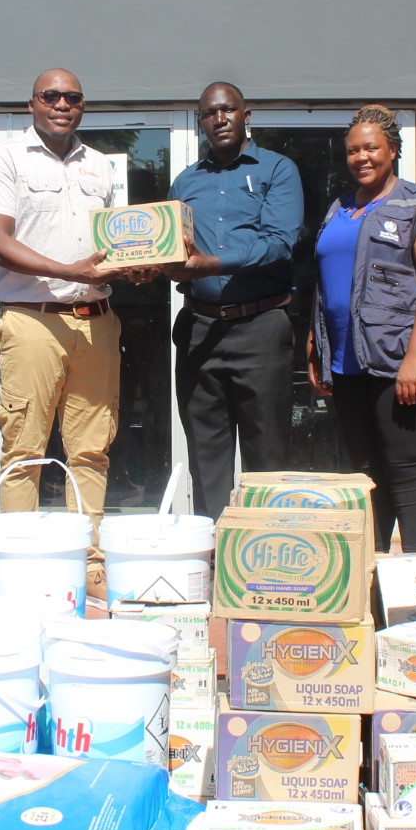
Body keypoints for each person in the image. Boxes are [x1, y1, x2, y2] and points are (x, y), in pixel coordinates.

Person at [0, 69, 148, 563]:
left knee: (92, 451)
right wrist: (65, 269)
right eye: (51, 96)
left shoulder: (100, 166)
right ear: (32, 103)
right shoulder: (3, 158)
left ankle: (85, 561)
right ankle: (19, 563)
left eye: (72, 97)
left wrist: (136, 266)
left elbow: (117, 243)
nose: (62, 104)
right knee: (24, 451)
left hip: (96, 320)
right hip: (32, 320)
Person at [306, 105, 416, 553]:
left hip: (399, 360)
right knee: (366, 475)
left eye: (371, 147)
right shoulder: (339, 207)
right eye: (353, 150)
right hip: (348, 362)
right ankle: (371, 584)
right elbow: (327, 280)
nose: (361, 157)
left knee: (407, 471)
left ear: (393, 149)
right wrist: (316, 343)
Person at [162, 83, 302, 519]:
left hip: (260, 327)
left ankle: (264, 555)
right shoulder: (185, 181)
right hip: (200, 331)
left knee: (267, 458)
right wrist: (152, 264)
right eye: (209, 113)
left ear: (246, 116)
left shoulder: (277, 170)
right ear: (200, 122)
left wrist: (212, 264)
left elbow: (280, 243)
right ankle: (215, 560)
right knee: (207, 458)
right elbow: (170, 247)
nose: (219, 118)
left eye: (228, 109)